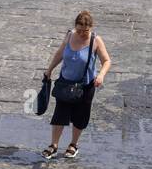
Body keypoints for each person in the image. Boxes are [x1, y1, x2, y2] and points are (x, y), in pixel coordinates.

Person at [41, 11, 110, 160]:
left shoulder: (95, 40)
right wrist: (49, 69)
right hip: (65, 82)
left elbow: (107, 61)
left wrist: (101, 75)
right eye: (79, 30)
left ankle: (73, 144)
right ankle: (53, 145)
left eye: (85, 31)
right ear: (75, 27)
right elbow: (60, 53)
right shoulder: (69, 35)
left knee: (80, 116)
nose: (82, 33)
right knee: (59, 114)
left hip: (85, 86)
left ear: (91, 28)